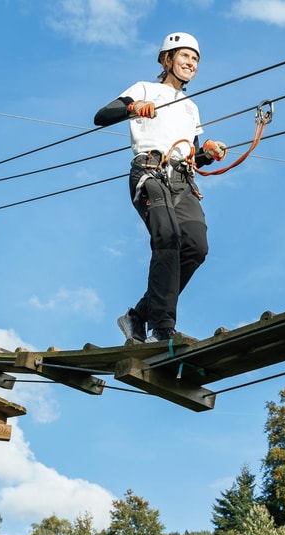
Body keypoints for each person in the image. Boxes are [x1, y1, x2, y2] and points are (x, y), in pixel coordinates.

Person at [94, 32, 229, 343]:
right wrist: (134, 107)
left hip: (182, 179)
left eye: (195, 59)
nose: (191, 63)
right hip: (150, 171)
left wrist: (208, 153)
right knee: (167, 237)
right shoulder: (145, 89)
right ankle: (162, 328)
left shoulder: (191, 108)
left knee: (196, 246)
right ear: (168, 60)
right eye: (185, 56)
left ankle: (138, 315)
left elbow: (193, 154)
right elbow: (101, 116)